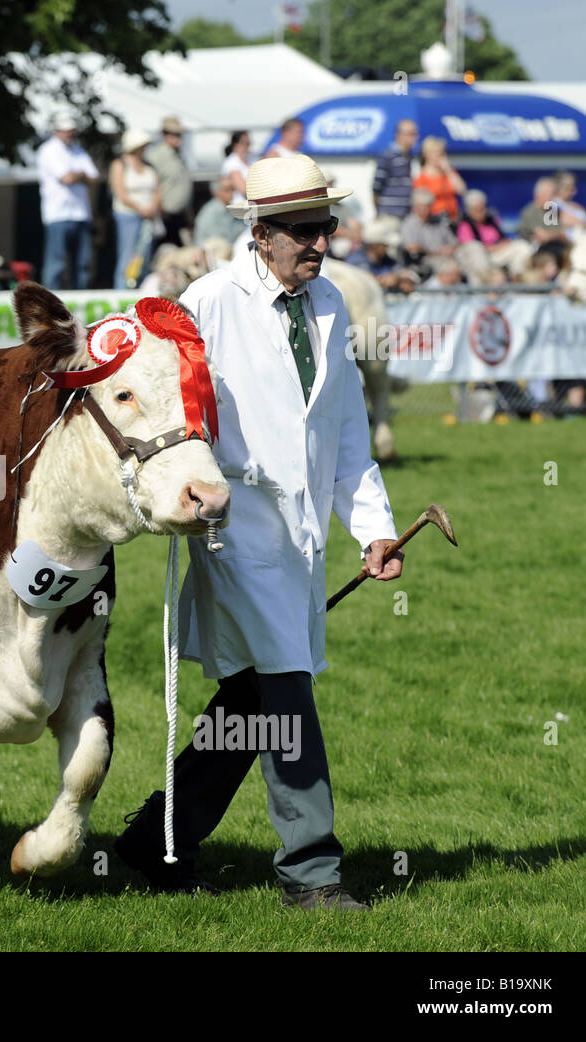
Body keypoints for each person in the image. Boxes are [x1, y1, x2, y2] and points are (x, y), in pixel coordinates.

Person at [115, 154, 402, 911]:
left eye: (327, 227)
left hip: (302, 532)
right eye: (305, 231)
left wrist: (372, 527)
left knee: (248, 697)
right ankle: (312, 873)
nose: (320, 242)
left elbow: (345, 429)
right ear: (261, 234)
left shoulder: (333, 301)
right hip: (233, 524)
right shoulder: (206, 303)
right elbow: (163, 410)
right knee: (284, 687)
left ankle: (156, 839)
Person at [37, 112, 99, 289]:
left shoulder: (78, 151)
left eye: (71, 130)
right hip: (58, 214)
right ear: (56, 131)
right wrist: (82, 175)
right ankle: (50, 306)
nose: (69, 133)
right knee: (56, 264)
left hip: (80, 214)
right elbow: (67, 178)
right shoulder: (48, 150)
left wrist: (77, 175)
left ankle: (81, 298)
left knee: (83, 264)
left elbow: (94, 178)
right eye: (65, 130)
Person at [109, 129, 160, 289]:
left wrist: (153, 207)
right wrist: (140, 208)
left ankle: (140, 293)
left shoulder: (150, 166)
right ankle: (121, 291)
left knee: (143, 257)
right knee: (127, 256)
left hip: (148, 218)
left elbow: (158, 190)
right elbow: (120, 193)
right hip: (128, 216)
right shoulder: (120, 164)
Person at [144, 116, 192, 251]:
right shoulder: (156, 156)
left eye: (179, 134)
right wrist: (160, 211)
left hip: (179, 216)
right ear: (166, 135)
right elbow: (153, 186)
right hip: (165, 216)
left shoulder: (179, 155)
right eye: (175, 134)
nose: (179, 138)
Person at [372, 119, 418, 219]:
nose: (416, 137)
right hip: (389, 216)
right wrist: (379, 212)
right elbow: (376, 188)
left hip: (406, 216)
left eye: (415, 133)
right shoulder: (387, 156)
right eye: (411, 134)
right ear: (399, 135)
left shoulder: (410, 157)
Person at [412, 136, 465, 224]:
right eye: (437, 153)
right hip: (434, 221)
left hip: (453, 219)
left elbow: (462, 190)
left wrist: (448, 170)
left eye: (442, 153)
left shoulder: (448, 173)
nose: (441, 157)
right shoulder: (421, 176)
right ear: (427, 154)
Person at [192, 178, 245, 247]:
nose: (232, 192)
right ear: (217, 192)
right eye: (228, 189)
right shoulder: (211, 212)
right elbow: (217, 240)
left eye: (233, 189)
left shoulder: (231, 208)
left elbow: (240, 230)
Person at [552, 170, 586, 242]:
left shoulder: (574, 205)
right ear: (558, 187)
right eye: (569, 188)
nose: (574, 191)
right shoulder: (552, 205)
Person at [220, 130, 251, 207]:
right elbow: (243, 188)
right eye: (245, 143)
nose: (247, 146)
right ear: (235, 144)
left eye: (249, 143)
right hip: (240, 207)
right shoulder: (232, 162)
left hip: (248, 206)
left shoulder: (248, 160)